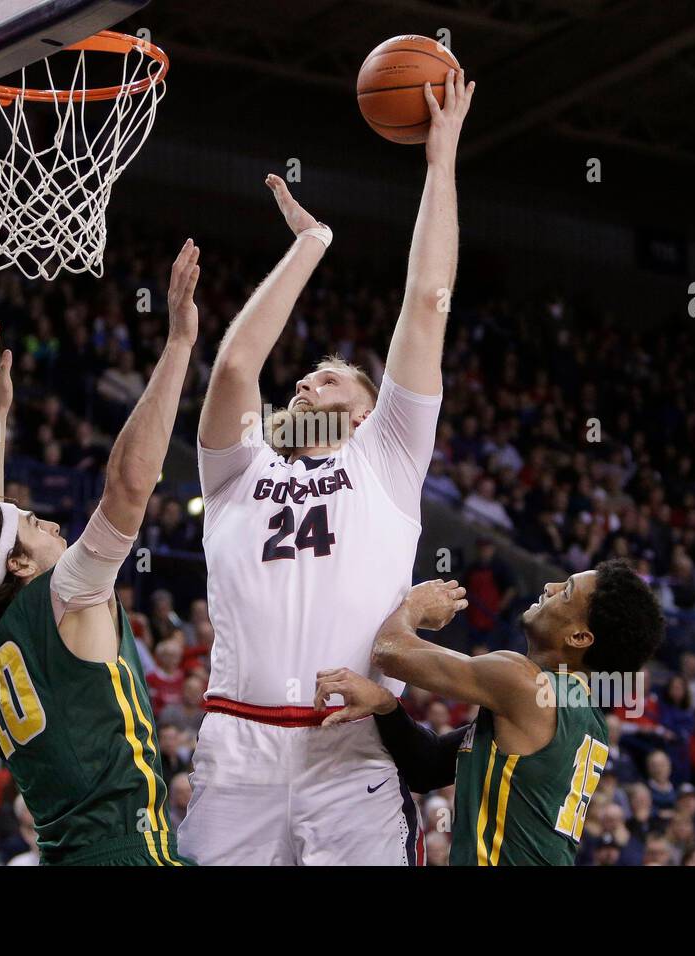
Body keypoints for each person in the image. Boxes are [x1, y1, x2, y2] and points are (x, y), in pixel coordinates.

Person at [180, 69, 476, 867]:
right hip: (237, 745)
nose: (308, 378)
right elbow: (239, 362)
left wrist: (440, 159)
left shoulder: (387, 455)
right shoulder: (238, 469)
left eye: (333, 375)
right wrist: (311, 244)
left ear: (369, 407)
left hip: (351, 753)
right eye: (306, 374)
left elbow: (426, 300)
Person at [0, 256, 199, 867]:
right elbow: (129, 485)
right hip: (126, 853)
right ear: (22, 565)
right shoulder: (64, 592)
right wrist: (179, 341)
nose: (47, 521)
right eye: (33, 524)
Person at [315, 560, 664, 865]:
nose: (550, 586)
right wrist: (386, 704)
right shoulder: (587, 717)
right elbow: (428, 766)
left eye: (566, 591)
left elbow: (389, 652)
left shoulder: (523, 683)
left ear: (578, 637)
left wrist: (415, 606)